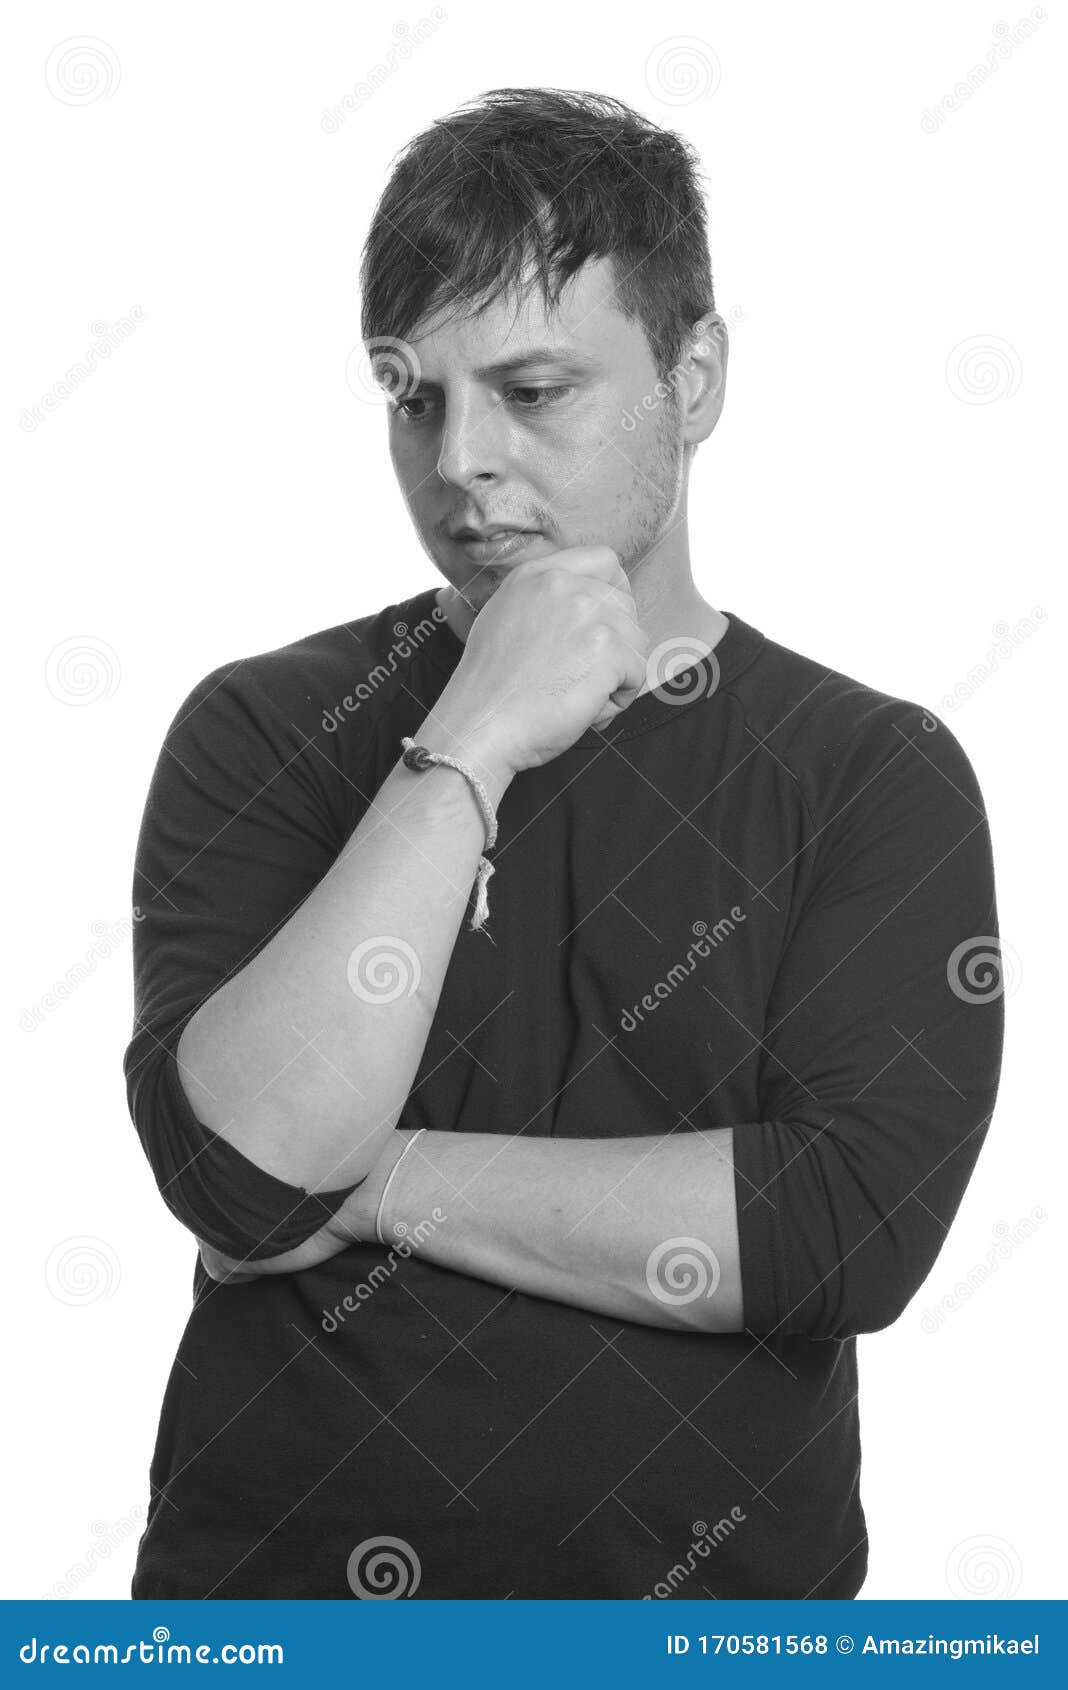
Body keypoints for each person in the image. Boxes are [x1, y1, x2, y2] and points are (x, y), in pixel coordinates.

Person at [124, 88, 1003, 1599]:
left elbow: (838, 1234)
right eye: (416, 398)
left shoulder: (873, 773)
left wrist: (374, 1182)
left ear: (696, 375)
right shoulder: (263, 729)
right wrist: (471, 735)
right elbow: (244, 1177)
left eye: (533, 391)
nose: (461, 460)